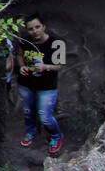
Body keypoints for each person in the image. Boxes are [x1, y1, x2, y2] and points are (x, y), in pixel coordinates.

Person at [8, 16, 67, 154]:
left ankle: (56, 136)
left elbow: (59, 66)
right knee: (28, 112)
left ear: (44, 27)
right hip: (26, 84)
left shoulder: (57, 43)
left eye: (37, 27)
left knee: (45, 116)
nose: (34, 31)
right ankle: (31, 132)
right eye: (31, 29)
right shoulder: (25, 39)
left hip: (47, 87)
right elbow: (20, 55)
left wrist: (45, 67)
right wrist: (21, 66)